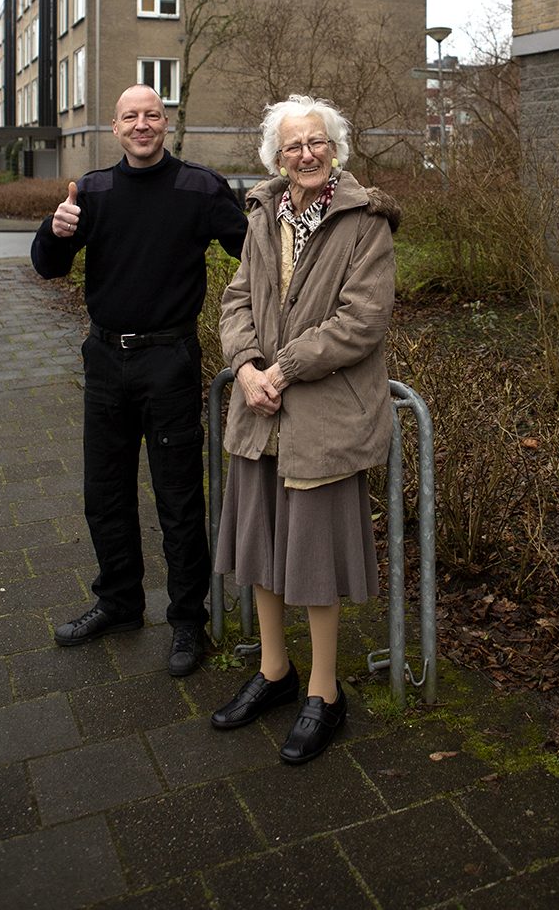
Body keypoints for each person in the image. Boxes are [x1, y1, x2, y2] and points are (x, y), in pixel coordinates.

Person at [30, 85, 247, 676]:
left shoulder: (200, 188)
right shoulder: (93, 191)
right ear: (115, 126)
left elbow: (254, 254)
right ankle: (119, 603)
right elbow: (47, 267)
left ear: (167, 122)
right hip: (104, 359)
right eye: (131, 116)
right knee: (104, 492)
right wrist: (56, 228)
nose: (142, 124)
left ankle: (186, 622)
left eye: (152, 114)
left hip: (167, 360)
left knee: (178, 498)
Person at [211, 94, 400, 764]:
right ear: (277, 156)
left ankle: (325, 691)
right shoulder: (263, 214)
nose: (306, 153)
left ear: (335, 147)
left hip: (323, 416)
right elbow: (236, 301)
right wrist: (245, 367)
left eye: (316, 141)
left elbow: (361, 321)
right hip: (261, 410)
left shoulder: (364, 221)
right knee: (261, 547)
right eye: (293, 145)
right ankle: (273, 671)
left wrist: (282, 369)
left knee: (314, 559)